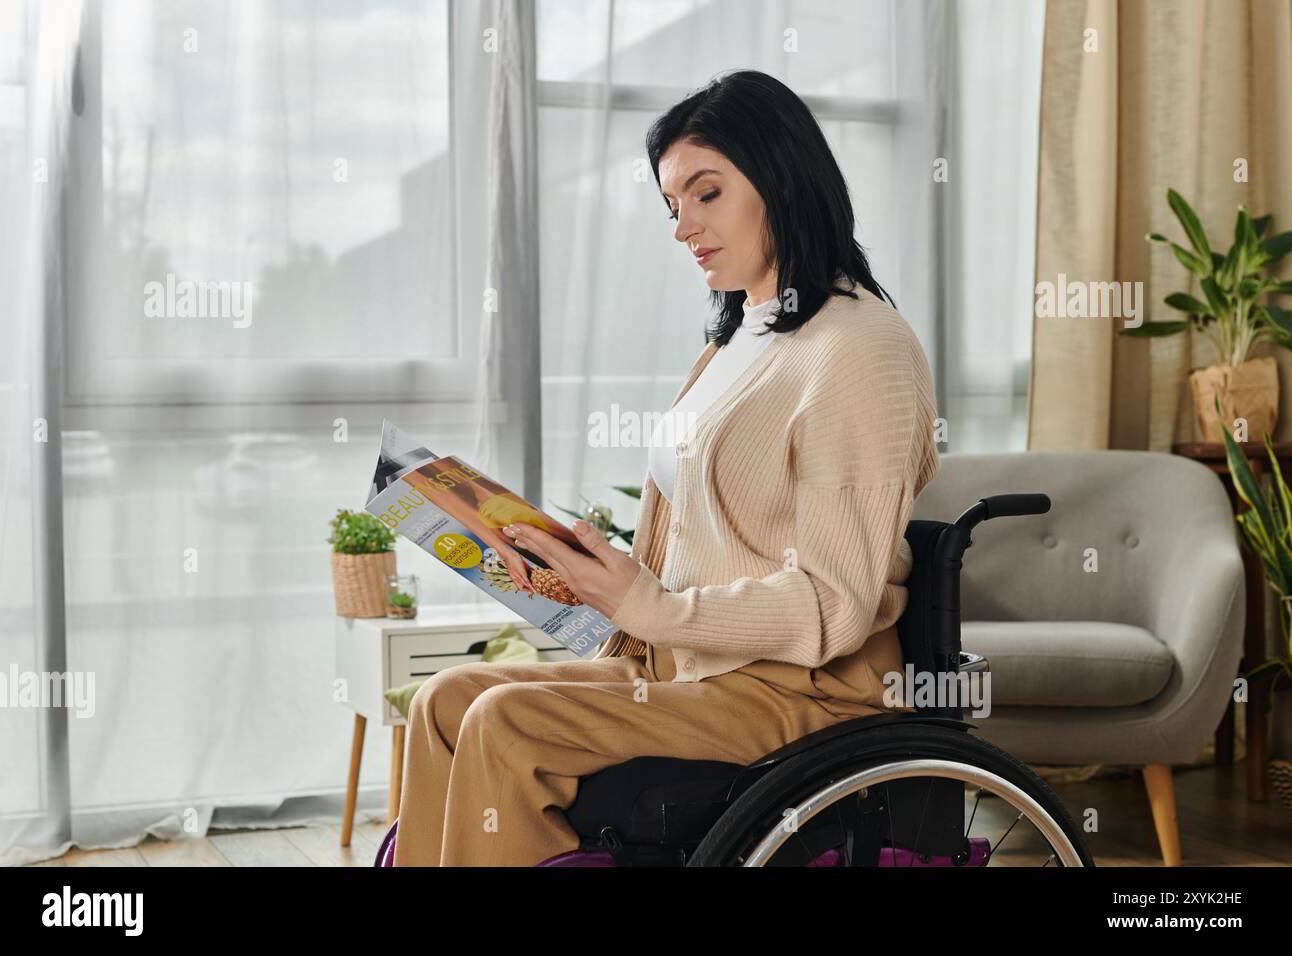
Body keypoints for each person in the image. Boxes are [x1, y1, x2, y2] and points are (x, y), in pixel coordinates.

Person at [392, 68, 940, 867]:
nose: (684, 226)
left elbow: (836, 604)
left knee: (507, 724)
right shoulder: (734, 340)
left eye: (706, 193)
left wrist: (652, 609)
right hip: (687, 668)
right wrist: (572, 572)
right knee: (445, 701)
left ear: (782, 179)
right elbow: (695, 543)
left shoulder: (861, 349)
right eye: (673, 204)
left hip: (798, 693)